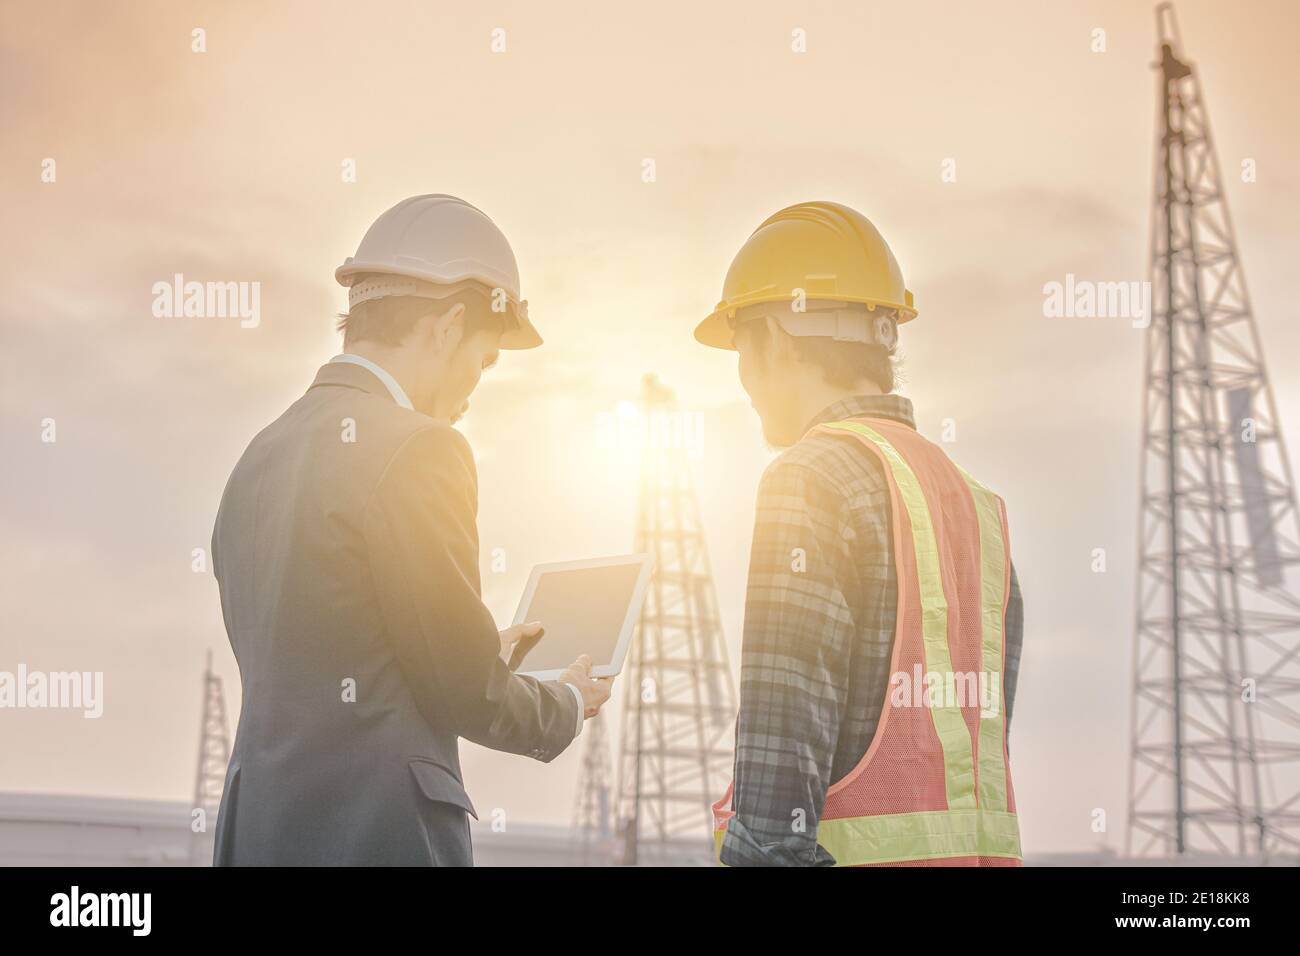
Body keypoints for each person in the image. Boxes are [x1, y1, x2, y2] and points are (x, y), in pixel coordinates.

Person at [210, 194, 612, 865]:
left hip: (259, 835)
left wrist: (479, 648)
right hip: (377, 838)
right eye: (484, 362)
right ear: (449, 326)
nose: (473, 390)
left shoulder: (259, 456)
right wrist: (564, 703)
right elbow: (464, 689)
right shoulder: (421, 449)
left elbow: (337, 652)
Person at [698, 201, 1024, 866]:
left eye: (741, 349)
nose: (746, 382)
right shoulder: (980, 512)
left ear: (777, 340)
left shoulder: (810, 479)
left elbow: (776, 785)